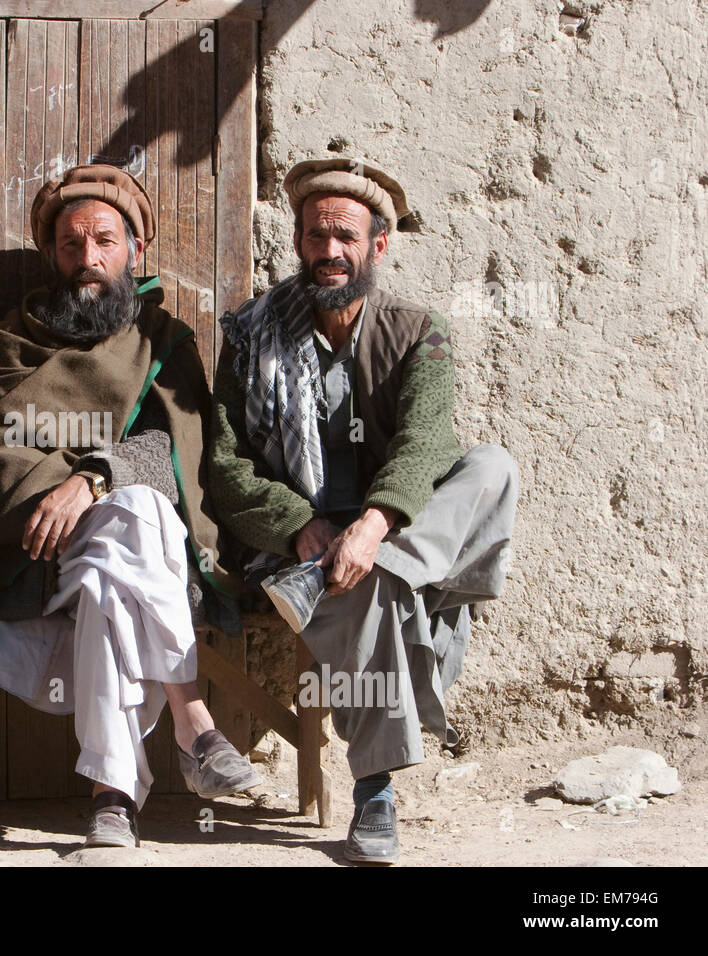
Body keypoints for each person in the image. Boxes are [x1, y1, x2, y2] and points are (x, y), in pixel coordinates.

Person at [209, 157, 518, 864]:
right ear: (297, 242)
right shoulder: (251, 337)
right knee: (364, 584)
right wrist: (298, 527)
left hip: (395, 532)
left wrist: (374, 528)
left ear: (379, 245)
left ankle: (375, 567)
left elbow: (427, 441)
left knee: (492, 468)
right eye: (317, 236)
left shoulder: (418, 332)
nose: (329, 252)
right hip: (305, 546)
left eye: (346, 236)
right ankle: (374, 790)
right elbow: (225, 466)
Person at [0, 164, 260, 849]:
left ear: (135, 249)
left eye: (103, 241)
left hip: (120, 558)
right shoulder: (13, 340)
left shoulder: (162, 341)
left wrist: (95, 478)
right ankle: (195, 726)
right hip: (33, 550)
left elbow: (187, 456)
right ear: (52, 255)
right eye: (71, 245)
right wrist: (65, 490)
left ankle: (112, 799)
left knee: (122, 546)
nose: (87, 260)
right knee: (134, 526)